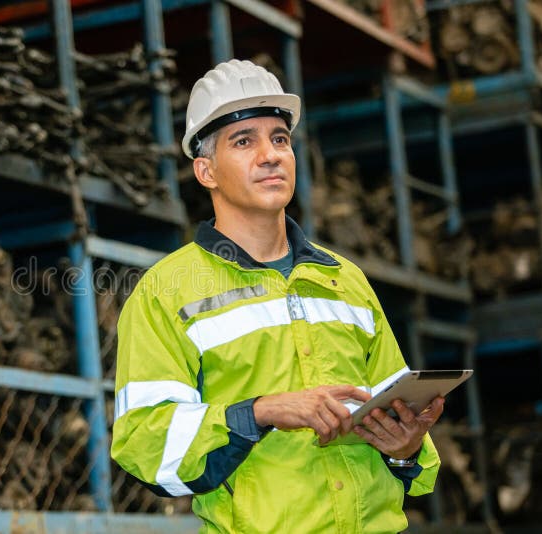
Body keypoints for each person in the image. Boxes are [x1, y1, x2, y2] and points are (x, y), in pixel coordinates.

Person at [111, 59, 444, 533]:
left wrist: (408, 445)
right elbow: (144, 443)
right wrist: (261, 412)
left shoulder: (345, 280)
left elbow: (403, 430)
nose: (270, 154)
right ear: (205, 171)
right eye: (244, 141)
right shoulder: (166, 291)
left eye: (280, 139)